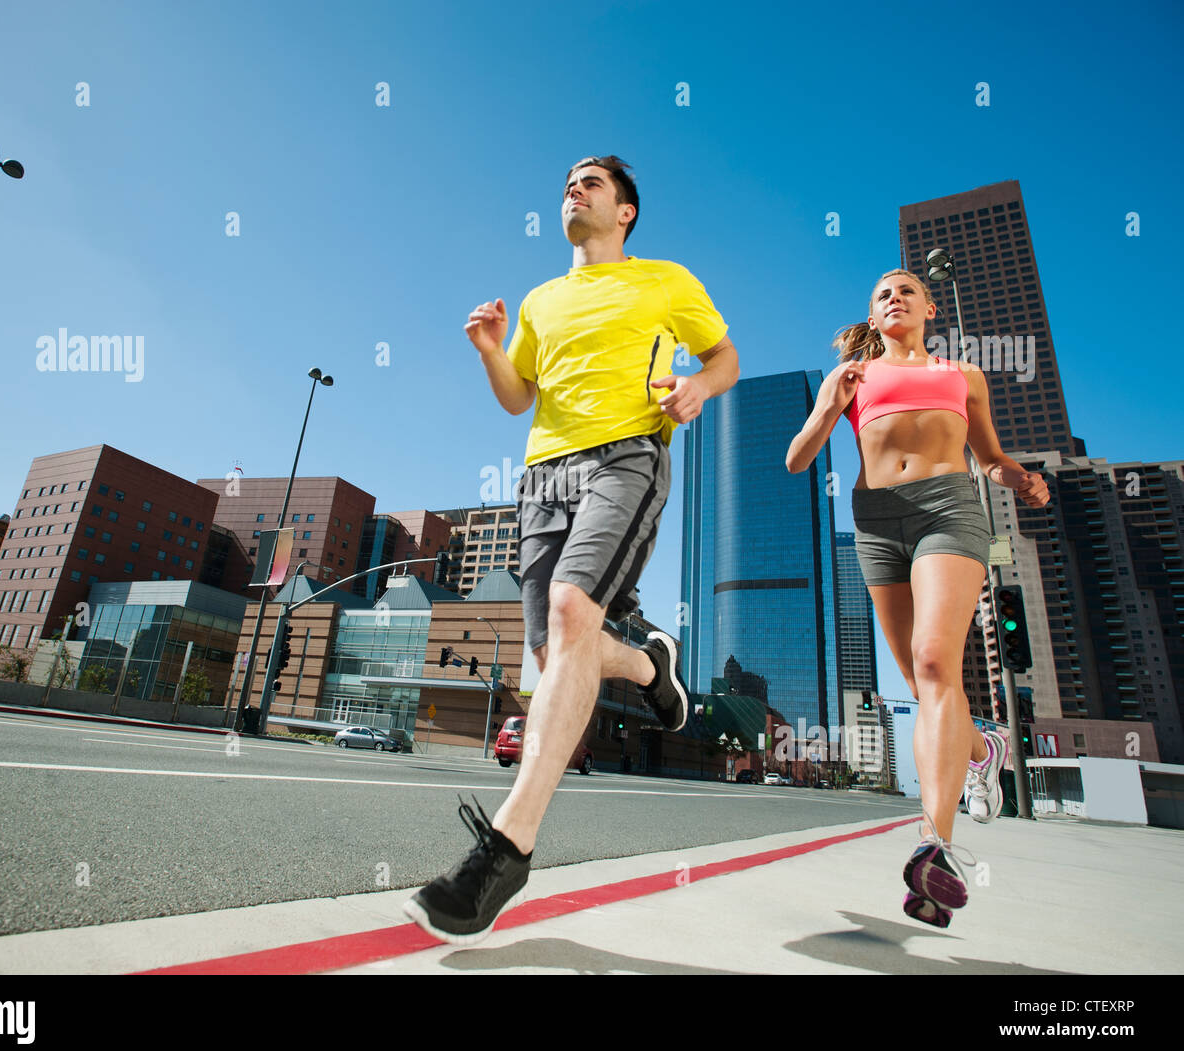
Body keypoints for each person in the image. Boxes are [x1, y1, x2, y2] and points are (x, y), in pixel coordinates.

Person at [404, 156, 740, 944]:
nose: (574, 189)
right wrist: (492, 349)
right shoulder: (540, 299)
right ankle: (650, 664)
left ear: (625, 211)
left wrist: (699, 388)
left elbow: (723, 357)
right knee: (557, 654)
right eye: (567, 182)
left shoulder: (665, 280)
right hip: (541, 476)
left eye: (592, 182)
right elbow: (521, 396)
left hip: (628, 453)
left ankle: (506, 849)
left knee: (568, 611)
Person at [785, 269, 1049, 927]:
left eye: (905, 290)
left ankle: (937, 848)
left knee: (935, 666)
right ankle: (983, 749)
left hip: (948, 511)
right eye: (881, 293)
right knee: (917, 676)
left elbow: (987, 457)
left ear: (930, 307)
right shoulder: (851, 378)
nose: (894, 297)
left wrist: (1016, 476)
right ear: (873, 317)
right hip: (876, 520)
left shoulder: (963, 377)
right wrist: (828, 405)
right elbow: (796, 459)